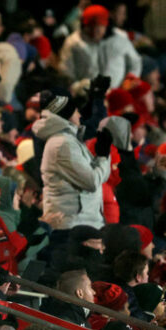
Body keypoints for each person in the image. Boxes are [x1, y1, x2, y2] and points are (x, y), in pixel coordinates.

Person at [33, 92, 112, 229]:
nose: (79, 115)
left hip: (82, 222)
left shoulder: (69, 140)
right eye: (76, 111)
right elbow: (92, 181)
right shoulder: (63, 144)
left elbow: (97, 177)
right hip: (73, 224)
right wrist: (103, 157)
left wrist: (103, 157)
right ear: (67, 116)